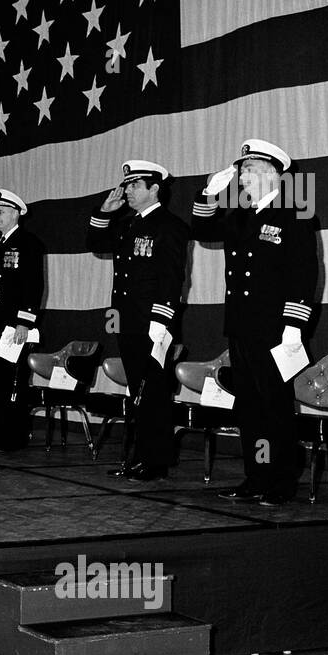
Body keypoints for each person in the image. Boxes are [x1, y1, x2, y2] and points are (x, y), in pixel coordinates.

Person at [191, 138, 318, 507]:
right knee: (248, 406)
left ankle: (282, 479)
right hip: (242, 325)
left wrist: (294, 328)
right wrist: (208, 194)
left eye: (249, 170)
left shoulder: (295, 212)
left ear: (273, 174)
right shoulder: (240, 215)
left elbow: (304, 273)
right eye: (243, 170)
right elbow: (201, 231)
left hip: (275, 329)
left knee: (275, 406)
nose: (242, 176)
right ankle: (256, 475)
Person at [86, 160, 191, 481]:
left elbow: (172, 278)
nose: (127, 190)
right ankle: (141, 456)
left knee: (154, 392)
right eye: (127, 184)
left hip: (154, 323)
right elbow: (96, 244)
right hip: (127, 319)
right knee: (138, 391)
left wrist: (161, 322)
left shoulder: (170, 225)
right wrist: (104, 212)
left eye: (135, 185)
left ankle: (155, 460)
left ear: (154, 188)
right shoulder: (127, 224)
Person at [0, 190, 45, 452]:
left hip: (14, 324)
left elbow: (34, 285)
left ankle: (13, 436)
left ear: (16, 213)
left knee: (15, 380)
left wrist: (24, 321)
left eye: (1, 212)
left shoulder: (29, 243)